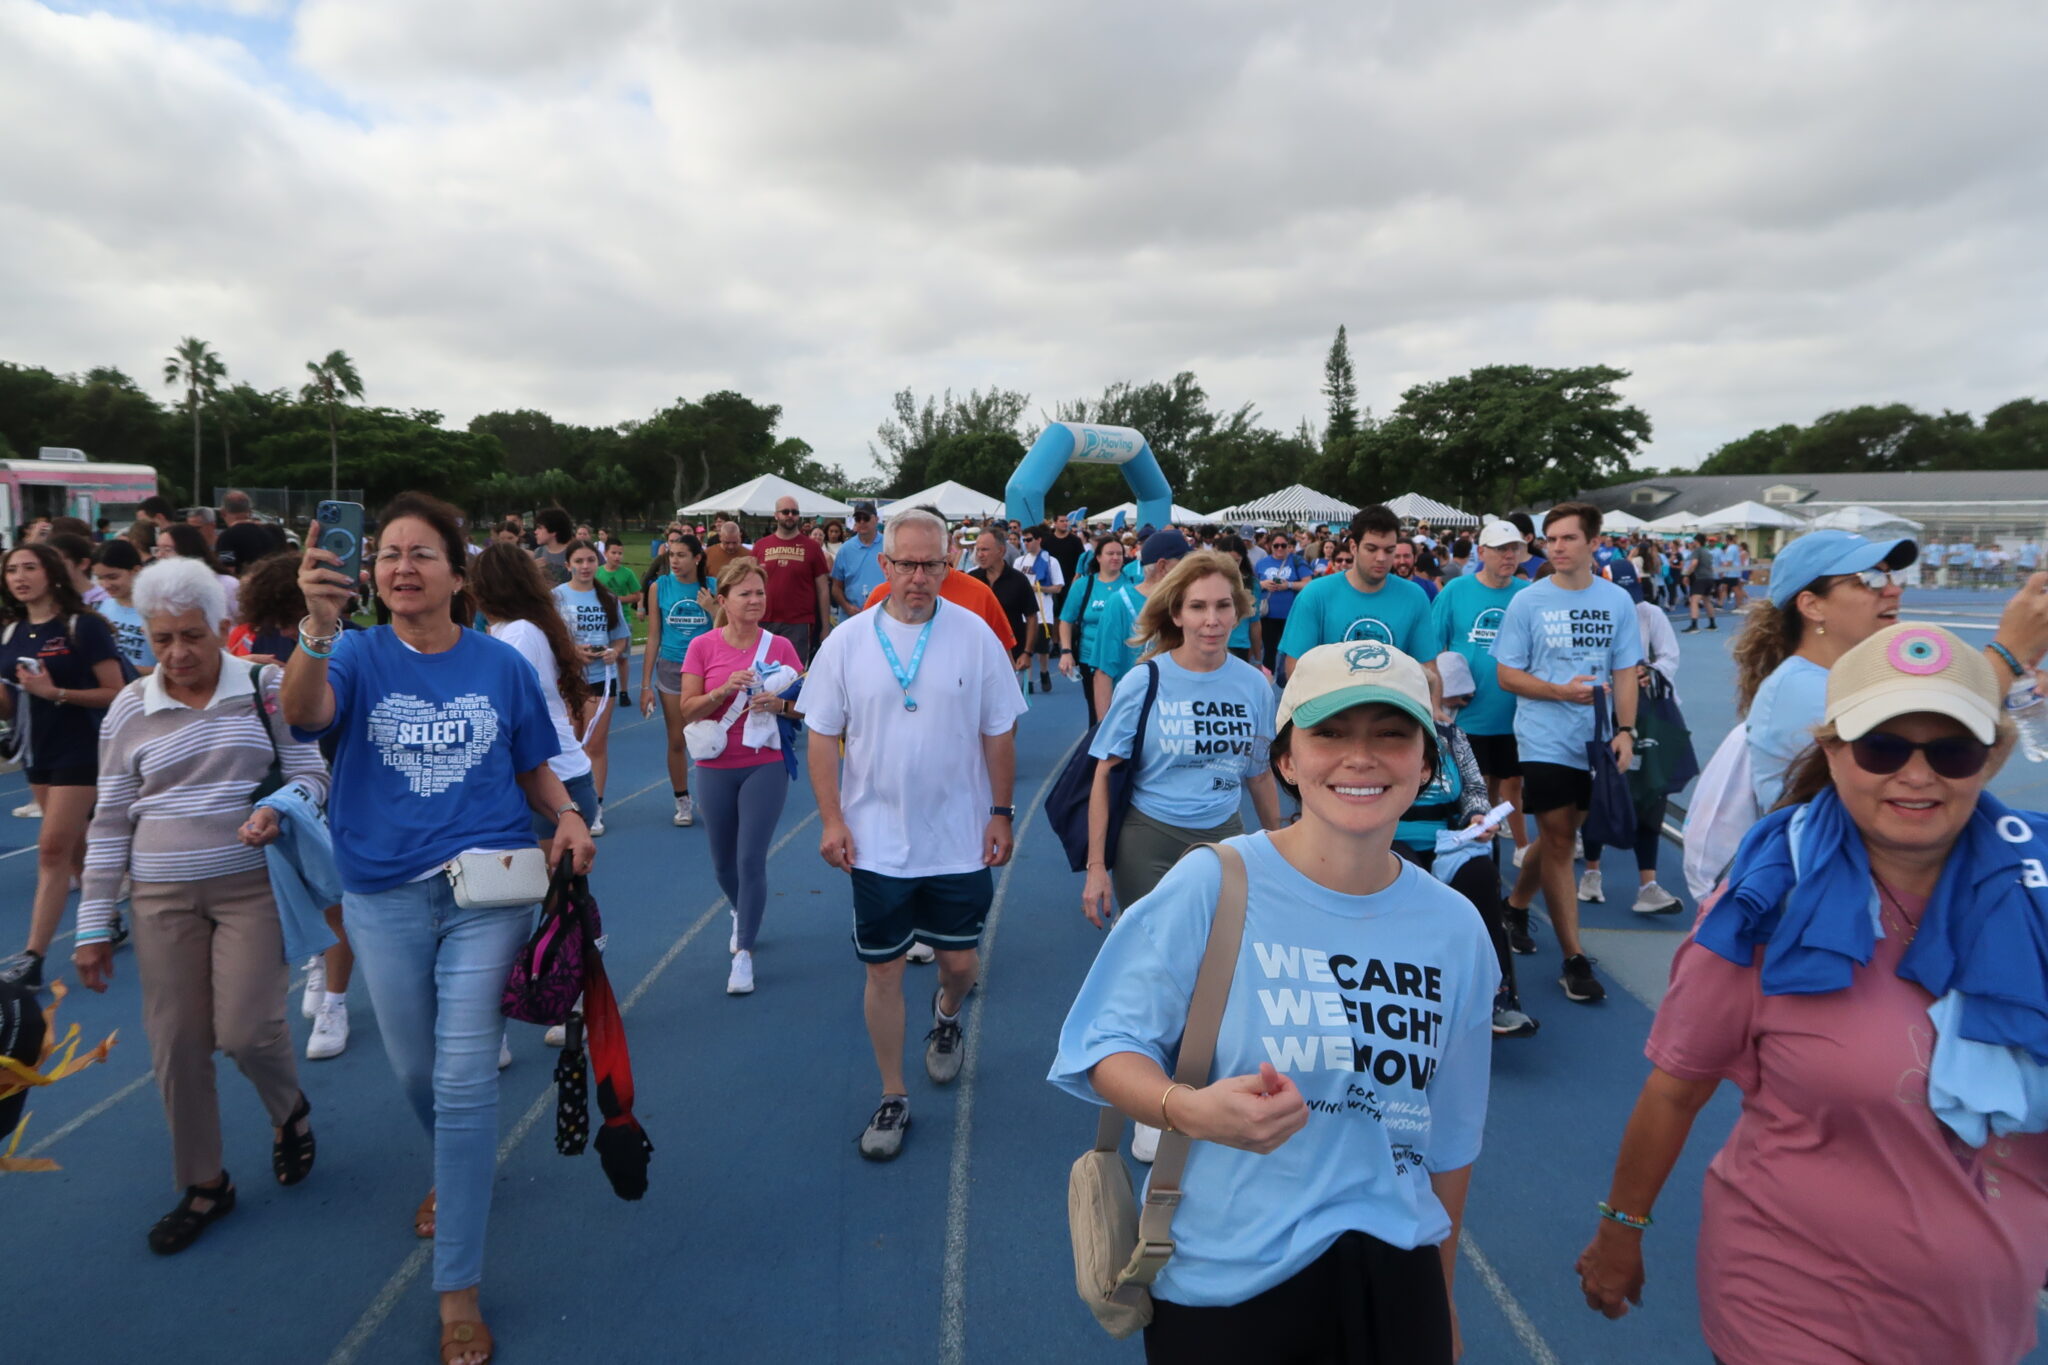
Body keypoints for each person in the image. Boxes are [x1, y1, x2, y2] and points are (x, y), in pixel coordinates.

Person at [1577, 622, 2048, 1364]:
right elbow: (1675, 1088)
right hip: (1795, 1311)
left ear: (1989, 758)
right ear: (1833, 751)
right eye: (1883, 747)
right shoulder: (1764, 906)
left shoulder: (2039, 899)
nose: (1916, 774)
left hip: (1983, 1326)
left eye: (1951, 749)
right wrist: (1619, 1226)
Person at [1050, 640, 1497, 1362]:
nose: (1361, 757)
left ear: (1427, 763)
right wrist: (1189, 1109)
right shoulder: (1215, 883)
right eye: (1329, 732)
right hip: (1229, 1281)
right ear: (1286, 759)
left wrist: (1441, 1302)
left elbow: (1449, 1141)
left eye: (1391, 733)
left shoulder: (1456, 928)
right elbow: (1103, 1043)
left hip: (1396, 1276)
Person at [281, 492, 595, 1365]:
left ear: (460, 574)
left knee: (463, 1080)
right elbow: (303, 717)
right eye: (387, 553)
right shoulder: (352, 654)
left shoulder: (498, 664)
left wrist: (566, 814)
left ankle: (457, 1286)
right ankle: (456, 1165)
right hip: (382, 894)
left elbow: (531, 759)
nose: (401, 567)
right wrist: (315, 622)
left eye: (422, 553)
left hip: (488, 891)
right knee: (419, 1070)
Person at [71, 557, 327, 1252]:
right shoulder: (129, 705)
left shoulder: (265, 686)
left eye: (192, 635)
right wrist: (93, 924)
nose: (178, 654)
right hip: (158, 895)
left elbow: (311, 771)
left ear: (222, 627)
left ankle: (289, 1108)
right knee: (177, 1042)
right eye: (161, 640)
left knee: (247, 1030)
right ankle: (205, 1181)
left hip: (250, 883)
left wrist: (279, 808)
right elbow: (111, 818)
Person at [802, 508, 1026, 1161]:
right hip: (875, 840)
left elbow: (999, 730)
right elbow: (821, 734)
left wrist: (1002, 812)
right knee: (883, 969)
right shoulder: (846, 642)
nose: (919, 577)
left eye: (932, 564)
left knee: (959, 963)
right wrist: (832, 818)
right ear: (885, 565)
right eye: (907, 564)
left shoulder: (976, 635)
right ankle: (893, 1091)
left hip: (958, 836)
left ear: (947, 565)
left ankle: (948, 1015)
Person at [1078, 551, 1283, 1160]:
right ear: (1176, 612)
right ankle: (1155, 1102)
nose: (1213, 620)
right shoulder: (1147, 679)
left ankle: (1200, 1084)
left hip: (1224, 841)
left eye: (1224, 606)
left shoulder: (1254, 684)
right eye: (1198, 607)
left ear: (1240, 612)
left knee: (1216, 972)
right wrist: (1095, 867)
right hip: (1151, 840)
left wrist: (1282, 846)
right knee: (1157, 974)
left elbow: (1260, 773)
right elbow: (1104, 774)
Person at [1491, 502, 1642, 1004]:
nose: (1556, 547)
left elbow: (1625, 670)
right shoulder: (1528, 602)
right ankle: (1573, 958)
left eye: (1567, 539)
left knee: (1564, 834)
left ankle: (1515, 904)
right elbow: (1506, 674)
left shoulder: (1618, 600)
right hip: (1542, 737)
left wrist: (1626, 730)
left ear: (1593, 543)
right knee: (1558, 840)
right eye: (1550, 539)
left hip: (1596, 741)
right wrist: (1559, 692)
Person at [0, 543, 128, 988]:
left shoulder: (83, 627)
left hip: (83, 749)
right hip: (37, 753)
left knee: (52, 848)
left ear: (52, 573)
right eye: (12, 569)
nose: (19, 576)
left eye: (29, 567)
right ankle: (107, 915)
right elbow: (8, 704)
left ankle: (32, 957)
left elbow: (116, 692)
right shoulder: (10, 632)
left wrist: (54, 692)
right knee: (72, 850)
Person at [680, 556, 804, 996]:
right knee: (722, 863)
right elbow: (687, 709)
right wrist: (722, 689)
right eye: (745, 593)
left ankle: (744, 955)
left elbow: (809, 706)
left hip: (765, 763)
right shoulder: (703, 647)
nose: (755, 600)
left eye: (760, 593)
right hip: (714, 764)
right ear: (724, 600)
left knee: (750, 858)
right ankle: (742, 912)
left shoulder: (780, 647)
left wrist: (782, 706)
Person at [1429, 521, 1532, 867]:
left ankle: (1506, 853)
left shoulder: (1527, 593)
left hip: (1517, 716)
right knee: (1471, 794)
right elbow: (1429, 648)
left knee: (1505, 786)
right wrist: (1441, 694)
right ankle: (1471, 866)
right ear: (1482, 552)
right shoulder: (1456, 591)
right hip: (1468, 716)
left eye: (1514, 548)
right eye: (1501, 548)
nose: (1509, 555)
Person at [1578, 597, 1686, 914]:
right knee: (1601, 792)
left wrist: (1648, 672)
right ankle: (1591, 873)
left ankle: (1647, 886)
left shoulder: (1649, 614)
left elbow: (1669, 656)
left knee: (1652, 794)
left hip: (1650, 713)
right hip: (1604, 713)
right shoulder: (1593, 611)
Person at [1280, 505, 1435, 684]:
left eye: (1389, 550)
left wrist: (1434, 707)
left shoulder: (1415, 597)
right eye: (1371, 549)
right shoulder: (1315, 594)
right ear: (1354, 547)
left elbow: (1427, 668)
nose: (1381, 558)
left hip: (1392, 708)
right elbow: (1296, 668)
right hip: (1330, 707)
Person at [552, 541, 631, 836]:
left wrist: (614, 651)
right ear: (567, 565)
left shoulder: (608, 598)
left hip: (601, 677)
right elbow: (547, 637)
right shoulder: (556, 597)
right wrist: (571, 651)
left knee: (595, 745)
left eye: (590, 560)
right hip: (567, 680)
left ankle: (595, 806)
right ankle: (567, 805)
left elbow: (621, 638)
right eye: (579, 561)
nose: (585, 566)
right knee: (570, 743)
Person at [641, 533, 715, 827]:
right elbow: (653, 636)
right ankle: (682, 800)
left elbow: (726, 629)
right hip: (672, 666)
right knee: (677, 738)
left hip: (706, 669)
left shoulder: (712, 587)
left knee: (710, 737)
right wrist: (645, 684)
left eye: (681, 555)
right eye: (671, 554)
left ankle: (714, 796)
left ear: (697, 558)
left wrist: (714, 608)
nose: (674, 560)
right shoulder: (659, 587)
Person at [1058, 534, 1137, 728]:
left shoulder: (1133, 583)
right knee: (1098, 713)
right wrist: (1066, 652)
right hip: (1091, 658)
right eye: (1110, 553)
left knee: (1128, 710)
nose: (1116, 558)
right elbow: (1066, 620)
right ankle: (1096, 754)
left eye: (1119, 553)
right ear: (1098, 557)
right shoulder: (1083, 586)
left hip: (1126, 658)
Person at [755, 495, 832, 663]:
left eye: (794, 512)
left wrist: (825, 627)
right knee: (762, 673)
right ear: (776, 515)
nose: (790, 515)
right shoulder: (760, 546)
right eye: (785, 512)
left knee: (793, 676)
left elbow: (823, 588)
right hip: (764, 620)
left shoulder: (812, 547)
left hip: (798, 623)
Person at [968, 531, 1038, 689]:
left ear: (1001, 551)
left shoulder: (1019, 580)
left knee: (1008, 710)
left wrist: (1027, 653)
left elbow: (1032, 617)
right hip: (976, 657)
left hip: (1011, 656)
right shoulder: (971, 579)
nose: (980, 555)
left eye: (984, 550)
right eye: (977, 550)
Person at [227, 551, 312, 664]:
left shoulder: (341, 638)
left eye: (291, 621)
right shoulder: (266, 637)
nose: (284, 633)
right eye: (276, 624)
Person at [93, 539, 156, 677]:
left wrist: (121, 668)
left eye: (113, 577)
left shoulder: (157, 610)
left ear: (135, 571)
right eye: (100, 578)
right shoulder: (100, 608)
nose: (105, 585)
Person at [1014, 525, 1065, 694]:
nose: (1026, 543)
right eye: (1024, 540)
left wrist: (1039, 589)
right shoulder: (1019, 562)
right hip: (1024, 613)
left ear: (1038, 540)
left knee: (1042, 649)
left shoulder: (1051, 561)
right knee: (1026, 649)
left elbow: (1058, 587)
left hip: (1044, 613)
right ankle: (1028, 681)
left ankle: (1044, 672)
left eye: (1029, 539)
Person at [1251, 532, 1310, 673]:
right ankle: (1268, 682)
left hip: (1292, 615)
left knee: (1291, 651)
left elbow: (1308, 583)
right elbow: (1251, 585)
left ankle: (1289, 680)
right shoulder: (1261, 563)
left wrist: (1288, 585)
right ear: (1269, 546)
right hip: (1268, 616)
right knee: (1269, 651)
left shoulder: (1296, 561)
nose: (1279, 549)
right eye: (1276, 545)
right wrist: (1263, 584)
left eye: (1283, 545)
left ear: (1289, 546)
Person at [162, 523, 240, 620]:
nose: (160, 555)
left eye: (167, 549)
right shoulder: (163, 589)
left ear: (187, 550)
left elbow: (247, 624)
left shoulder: (228, 584)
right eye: (157, 549)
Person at [1213, 533, 1268, 668]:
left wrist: (1258, 659)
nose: (1232, 565)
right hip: (1213, 643)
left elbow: (1255, 623)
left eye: (1236, 561)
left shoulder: (1252, 584)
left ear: (1243, 559)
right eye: (1227, 560)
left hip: (1239, 646)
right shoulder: (1208, 581)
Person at [830, 502, 888, 620]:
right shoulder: (845, 550)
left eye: (866, 518)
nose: (861, 522)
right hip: (852, 618)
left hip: (884, 616)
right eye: (858, 518)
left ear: (876, 519)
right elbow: (836, 587)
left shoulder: (889, 546)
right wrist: (847, 607)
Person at [214, 491, 287, 574]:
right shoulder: (273, 531)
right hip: (275, 582)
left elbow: (228, 570)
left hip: (248, 584)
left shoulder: (226, 537)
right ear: (250, 511)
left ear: (222, 512)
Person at [1682, 535, 1717, 632]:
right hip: (1709, 578)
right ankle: (1712, 624)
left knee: (1694, 601)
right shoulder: (1707, 552)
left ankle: (1694, 626)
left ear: (1696, 541)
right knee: (1706, 600)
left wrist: (1686, 575)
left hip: (1700, 578)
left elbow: (1694, 564)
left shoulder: (1697, 551)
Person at [530, 507, 572, 587]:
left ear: (553, 531)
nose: (535, 532)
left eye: (540, 528)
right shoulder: (538, 552)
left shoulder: (573, 554)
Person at [702, 517, 748, 587]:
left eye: (735, 542)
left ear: (740, 536)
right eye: (727, 543)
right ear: (720, 537)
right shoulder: (707, 554)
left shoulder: (749, 555)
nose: (731, 546)